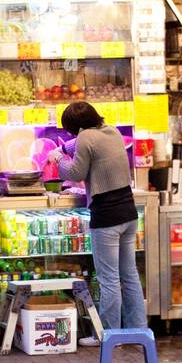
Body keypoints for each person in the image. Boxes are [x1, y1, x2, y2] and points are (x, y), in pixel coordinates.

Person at [49, 102, 145, 341]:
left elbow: (75, 173)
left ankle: (107, 336)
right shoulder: (112, 131)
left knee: (109, 279)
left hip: (106, 216)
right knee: (129, 275)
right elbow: (83, 144)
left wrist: (59, 158)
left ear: (76, 127)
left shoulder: (85, 138)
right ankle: (138, 331)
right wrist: (64, 147)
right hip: (128, 212)